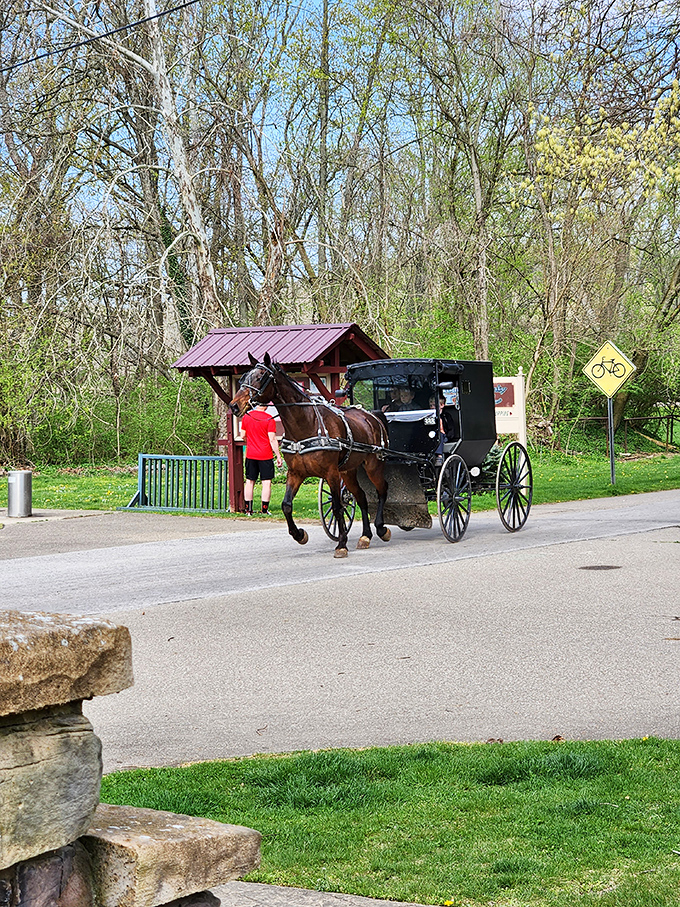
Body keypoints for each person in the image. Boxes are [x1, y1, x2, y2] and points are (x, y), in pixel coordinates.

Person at [240, 403, 282, 515]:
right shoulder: (269, 419)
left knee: (249, 481)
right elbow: (272, 439)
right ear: (266, 407)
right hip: (265, 455)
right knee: (266, 482)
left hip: (250, 454)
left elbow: (243, 435)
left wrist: (249, 441)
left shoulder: (247, 417)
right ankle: (264, 510)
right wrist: (278, 455)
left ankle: (248, 509)